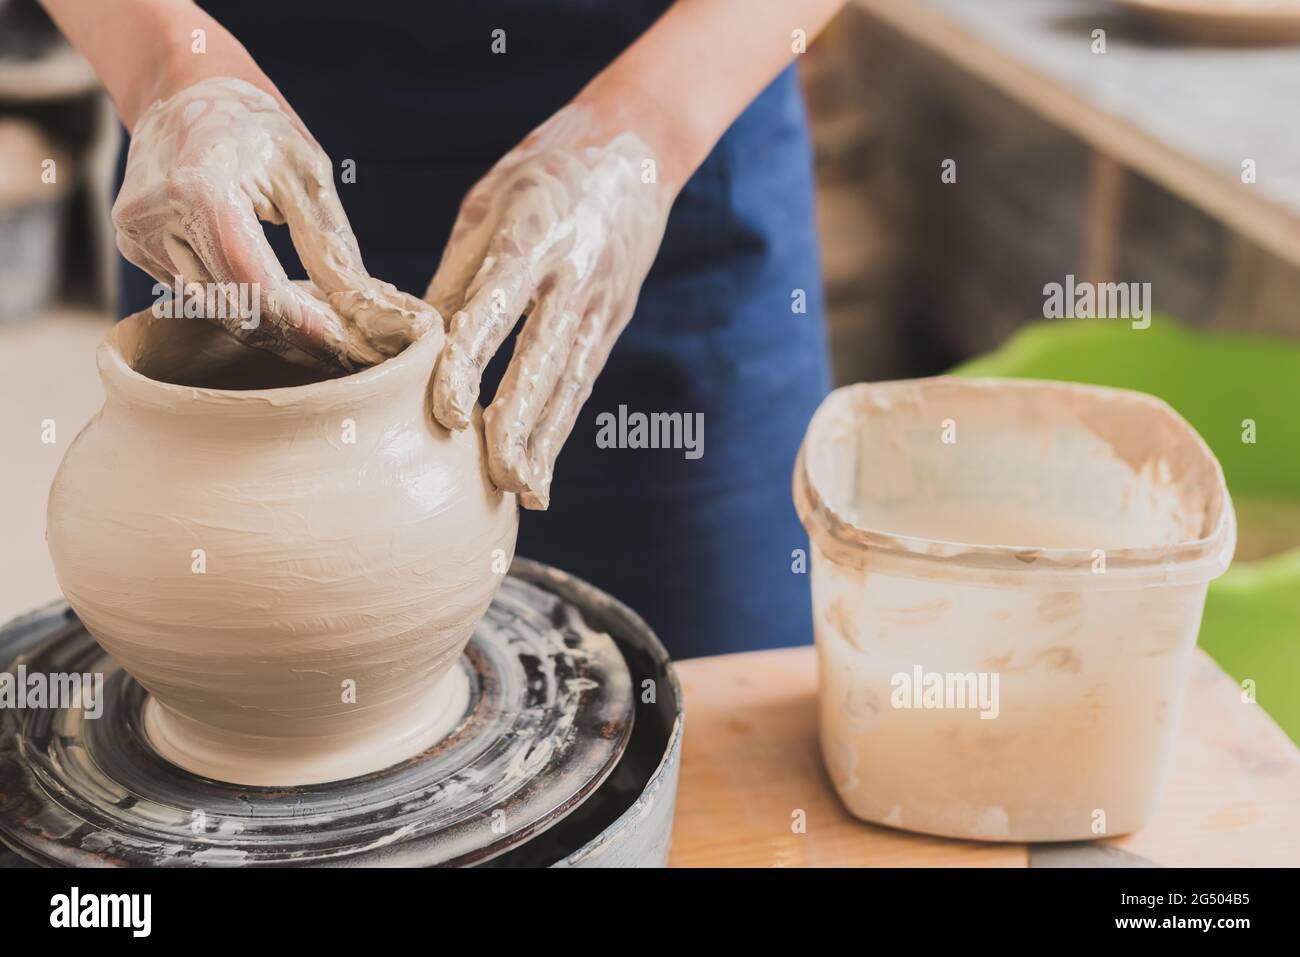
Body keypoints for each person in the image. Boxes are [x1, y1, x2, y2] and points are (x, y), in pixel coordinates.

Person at [40, 0, 842, 659]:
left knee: (706, 736)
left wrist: (653, 126)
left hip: (671, 126)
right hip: (235, 146)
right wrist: (163, 63)